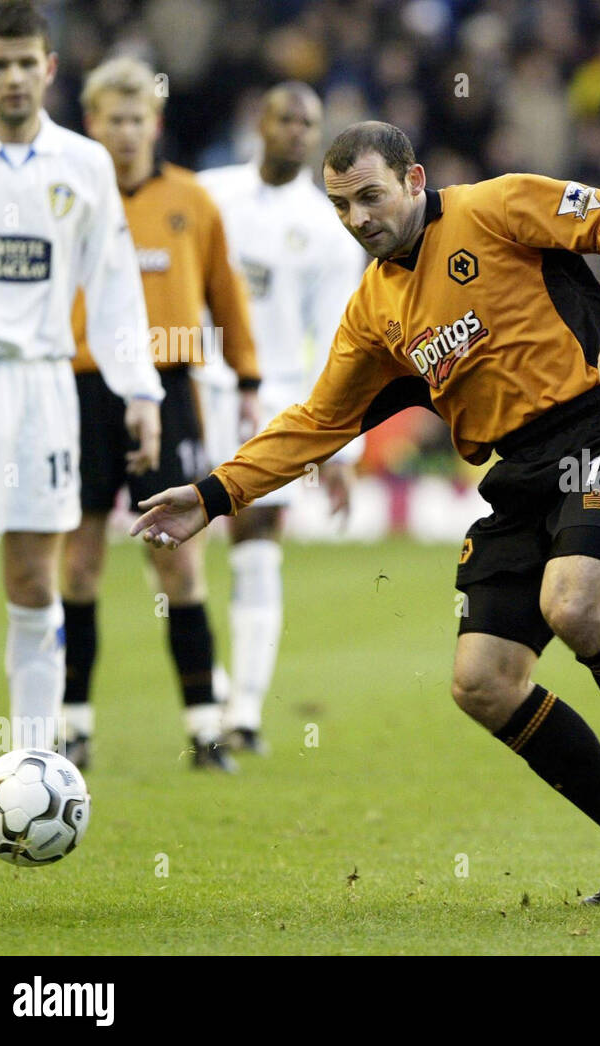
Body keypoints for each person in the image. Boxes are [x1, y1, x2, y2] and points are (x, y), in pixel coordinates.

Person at [131, 121, 600, 904]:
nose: (356, 219)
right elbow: (318, 421)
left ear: (415, 182)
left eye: (370, 196)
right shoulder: (374, 312)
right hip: (518, 474)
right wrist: (214, 495)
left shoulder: (497, 207)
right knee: (483, 682)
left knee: (576, 605)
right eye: (340, 205)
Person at [0, 2, 162, 751]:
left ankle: (34, 758)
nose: (14, 78)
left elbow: (113, 284)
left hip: (41, 386)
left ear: (48, 70)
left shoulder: (83, 165)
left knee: (34, 581)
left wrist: (140, 389)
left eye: (27, 63)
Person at [59, 56, 260, 772]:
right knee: (78, 561)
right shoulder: (70, 194)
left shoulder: (191, 201)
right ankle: (73, 727)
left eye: (135, 117)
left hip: (171, 389)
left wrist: (247, 375)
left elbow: (224, 292)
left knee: (178, 560)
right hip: (81, 386)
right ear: (92, 123)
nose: (123, 131)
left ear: (155, 121)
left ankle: (205, 729)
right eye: (112, 118)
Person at [197, 82, 367, 756]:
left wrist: (341, 447)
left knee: (257, 537)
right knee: (174, 549)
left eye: (308, 123)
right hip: (196, 383)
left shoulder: (330, 224)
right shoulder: (209, 195)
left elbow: (337, 335)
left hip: (277, 398)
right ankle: (205, 683)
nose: (296, 132)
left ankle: (244, 708)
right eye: (285, 119)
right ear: (258, 122)